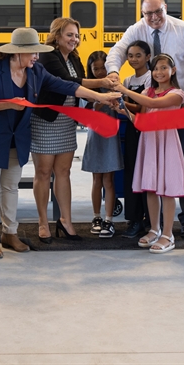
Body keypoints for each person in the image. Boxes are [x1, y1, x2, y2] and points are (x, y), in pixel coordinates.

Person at [0, 28, 120, 259]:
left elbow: (67, 85)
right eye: (33, 53)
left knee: (10, 188)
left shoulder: (36, 71)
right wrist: (9, 104)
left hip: (17, 139)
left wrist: (100, 96)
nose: (37, 57)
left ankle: (10, 233)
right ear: (18, 52)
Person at [105, 0, 184, 240]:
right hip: (152, 101)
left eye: (158, 12)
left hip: (182, 101)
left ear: (165, 8)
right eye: (148, 13)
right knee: (152, 161)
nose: (153, 17)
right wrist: (113, 72)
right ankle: (154, 222)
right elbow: (117, 52)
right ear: (142, 13)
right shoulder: (136, 29)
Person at [31, 17, 112, 242]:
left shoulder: (74, 57)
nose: (74, 39)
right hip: (46, 121)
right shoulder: (48, 55)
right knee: (43, 172)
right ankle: (43, 223)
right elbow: (69, 81)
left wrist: (103, 94)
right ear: (57, 35)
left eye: (77, 35)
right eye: (69, 35)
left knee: (64, 172)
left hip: (67, 121)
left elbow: (80, 82)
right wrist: (103, 83)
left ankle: (66, 221)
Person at [114, 54, 184, 254]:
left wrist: (123, 90)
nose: (159, 72)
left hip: (167, 142)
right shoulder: (148, 92)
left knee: (167, 190)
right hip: (148, 142)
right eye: (156, 69)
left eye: (164, 68)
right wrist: (123, 110)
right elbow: (141, 119)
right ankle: (154, 229)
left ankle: (168, 234)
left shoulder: (177, 94)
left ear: (173, 70)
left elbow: (155, 104)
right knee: (150, 188)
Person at [81, 50, 123, 238]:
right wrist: (100, 99)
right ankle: (96, 217)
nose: (100, 72)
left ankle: (108, 219)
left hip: (111, 137)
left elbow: (122, 107)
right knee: (96, 179)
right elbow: (86, 113)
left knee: (109, 180)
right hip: (95, 137)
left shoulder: (116, 87)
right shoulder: (88, 91)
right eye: (95, 69)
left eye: (103, 68)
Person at [120, 40, 152, 239]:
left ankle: (151, 219)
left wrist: (122, 104)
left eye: (138, 55)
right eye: (130, 56)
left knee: (148, 174)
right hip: (132, 130)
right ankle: (134, 220)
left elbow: (143, 107)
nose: (133, 59)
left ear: (148, 57)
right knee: (132, 173)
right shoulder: (127, 80)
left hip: (149, 131)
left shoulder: (151, 78)